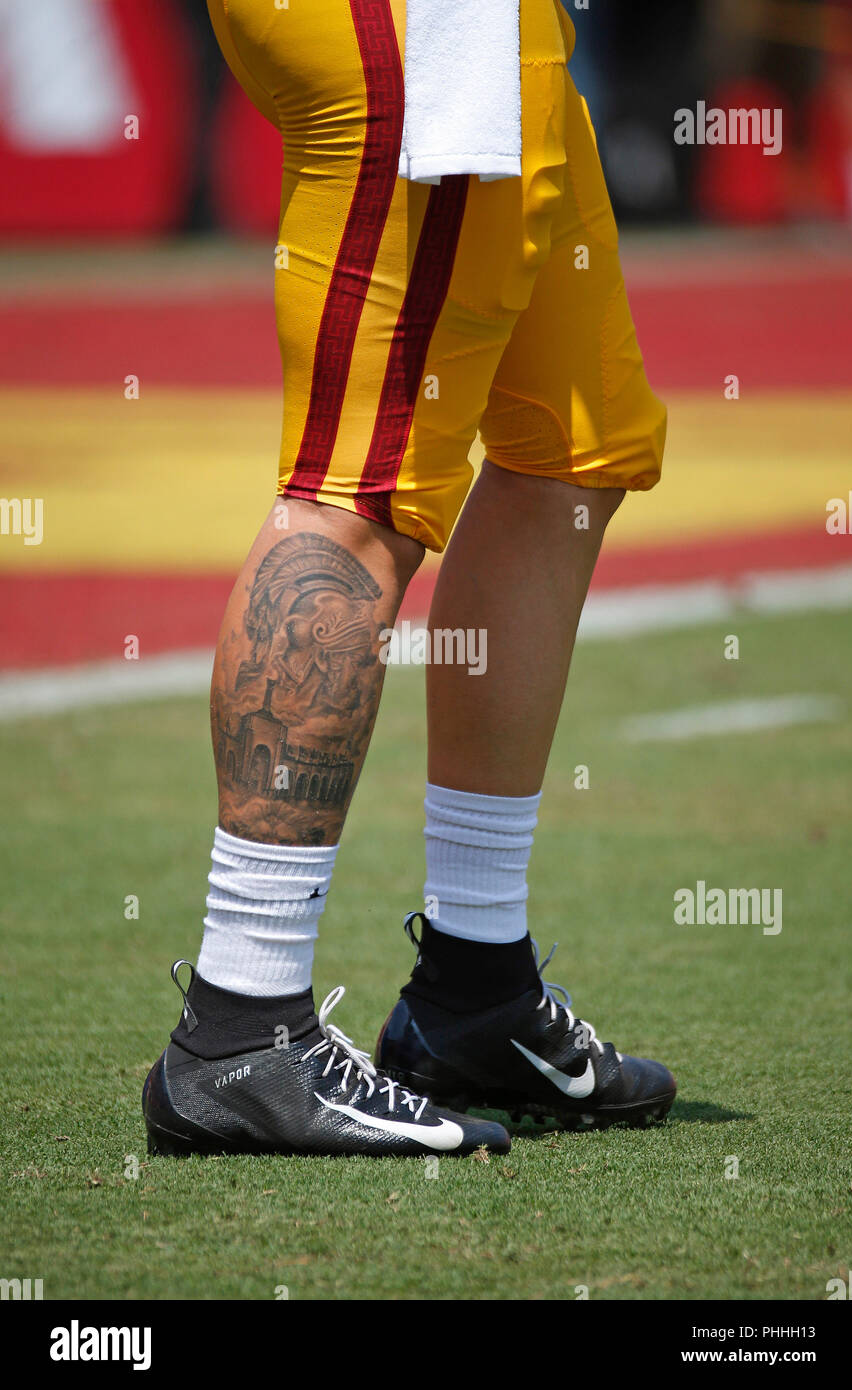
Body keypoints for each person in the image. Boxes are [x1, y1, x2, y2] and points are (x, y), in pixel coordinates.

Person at [142, 0, 674, 1158]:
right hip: (427, 27)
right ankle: (241, 1020)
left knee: (574, 452)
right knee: (362, 480)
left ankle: (473, 989)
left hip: (499, 30)